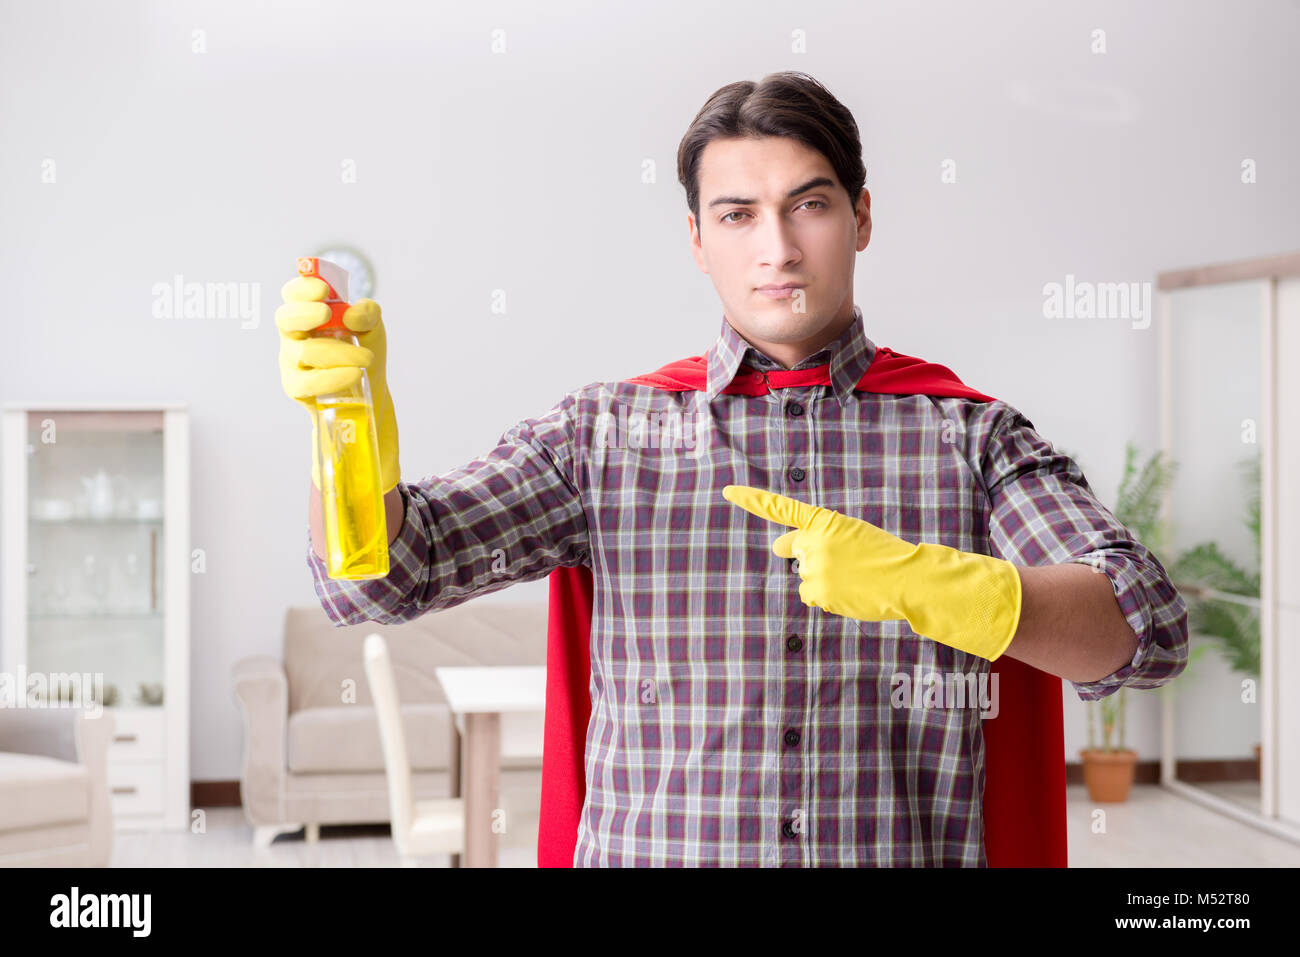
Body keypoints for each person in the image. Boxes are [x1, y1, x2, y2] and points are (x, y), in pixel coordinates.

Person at [276, 71, 1188, 866]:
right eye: (738, 214)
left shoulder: (973, 437)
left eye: (811, 204)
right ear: (697, 238)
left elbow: (1145, 626)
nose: (778, 248)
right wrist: (343, 430)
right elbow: (382, 583)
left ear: (862, 218)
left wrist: (940, 586)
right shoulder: (603, 437)